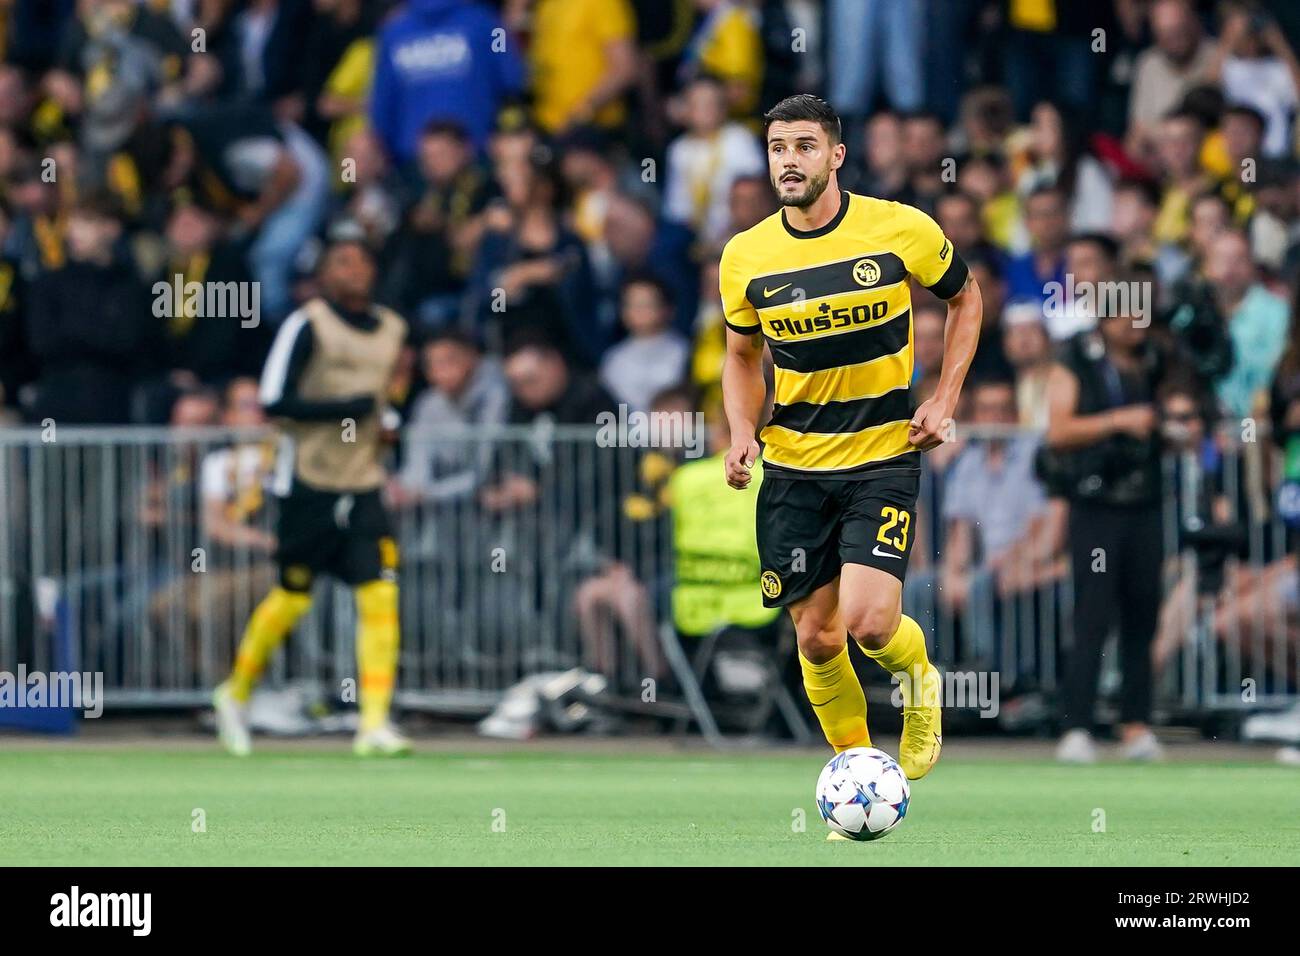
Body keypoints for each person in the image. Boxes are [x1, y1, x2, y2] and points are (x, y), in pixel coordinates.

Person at [719, 95, 983, 790]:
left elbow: (967, 299)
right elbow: (742, 357)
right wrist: (742, 431)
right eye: (778, 148)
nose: (789, 161)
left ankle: (919, 675)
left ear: (836, 156)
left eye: (804, 146)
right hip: (795, 466)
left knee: (868, 625)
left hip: (882, 455)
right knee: (816, 636)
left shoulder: (899, 228)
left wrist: (946, 398)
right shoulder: (745, 256)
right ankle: (857, 777)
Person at [212, 238, 411, 757]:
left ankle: (373, 723)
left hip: (363, 479)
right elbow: (275, 400)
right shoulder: (308, 324)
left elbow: (385, 399)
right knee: (294, 596)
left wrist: (387, 424)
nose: (356, 269)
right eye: (342, 261)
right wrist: (346, 408)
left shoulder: (393, 329)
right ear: (323, 273)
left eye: (364, 259)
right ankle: (234, 693)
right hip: (308, 480)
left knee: (380, 594)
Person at [1044, 306, 1166, 763]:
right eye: (1125, 316)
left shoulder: (1156, 360)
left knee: (1142, 616)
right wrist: (1120, 421)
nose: (1136, 326)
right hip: (1095, 507)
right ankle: (1077, 725)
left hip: (1145, 504)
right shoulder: (1075, 360)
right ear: (1105, 320)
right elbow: (1058, 431)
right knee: (1092, 616)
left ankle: (1136, 725)